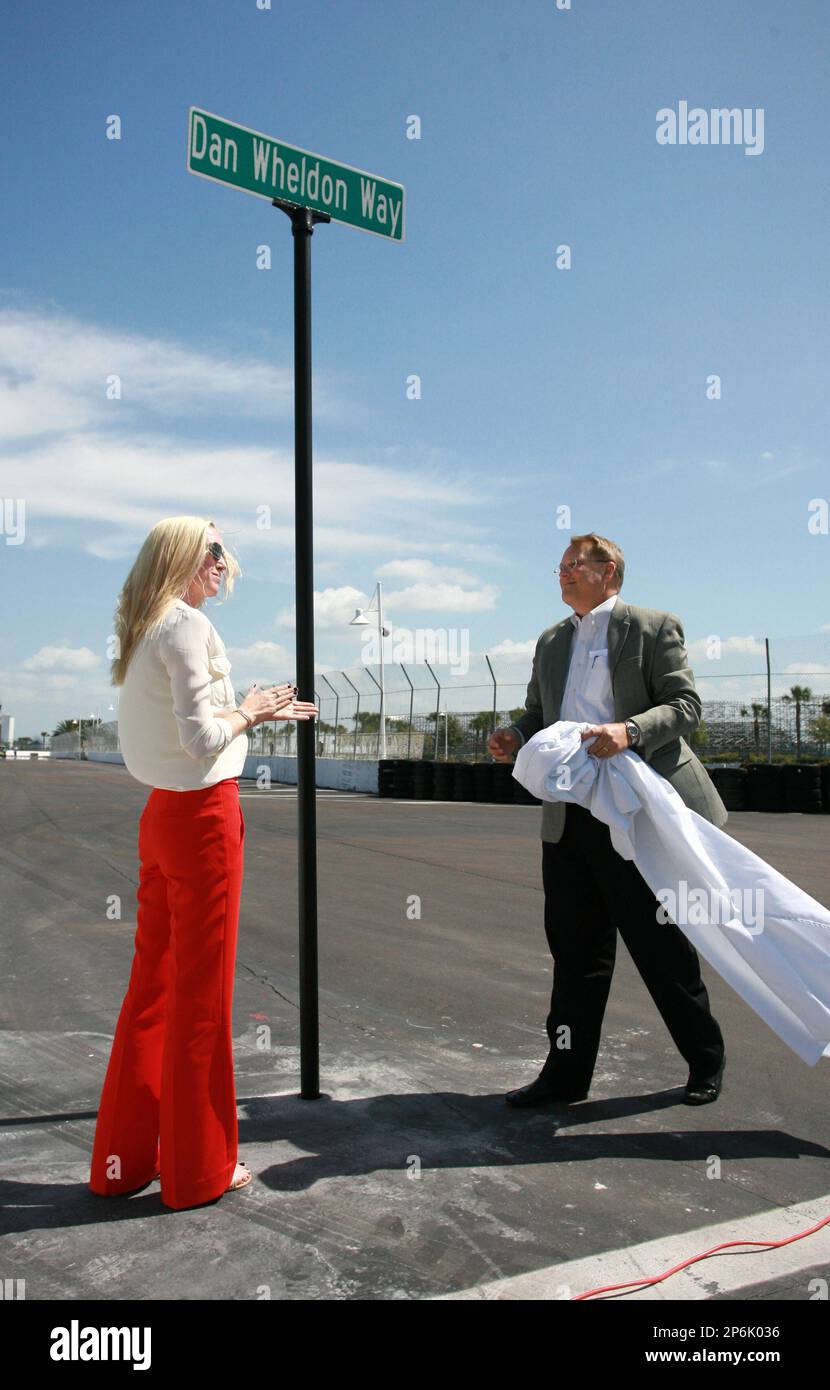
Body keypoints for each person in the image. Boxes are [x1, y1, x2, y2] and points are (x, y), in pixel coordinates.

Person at [88, 516, 317, 1209]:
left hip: (160, 816)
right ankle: (198, 1171)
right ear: (185, 556)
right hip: (202, 818)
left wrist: (251, 714)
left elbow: (182, 725)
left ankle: (123, 1163)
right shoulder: (184, 624)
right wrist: (247, 711)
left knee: (152, 987)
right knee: (203, 997)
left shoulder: (145, 626)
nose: (224, 562)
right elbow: (200, 738)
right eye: (214, 550)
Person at [488, 533, 728, 1108]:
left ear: (610, 573)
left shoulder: (652, 627)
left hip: (636, 812)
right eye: (561, 566)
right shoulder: (551, 641)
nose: (565, 574)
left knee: (660, 947)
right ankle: (565, 1076)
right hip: (570, 816)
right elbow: (539, 712)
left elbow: (686, 706)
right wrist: (515, 735)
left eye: (576, 565)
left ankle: (704, 1060)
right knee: (575, 953)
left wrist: (630, 731)